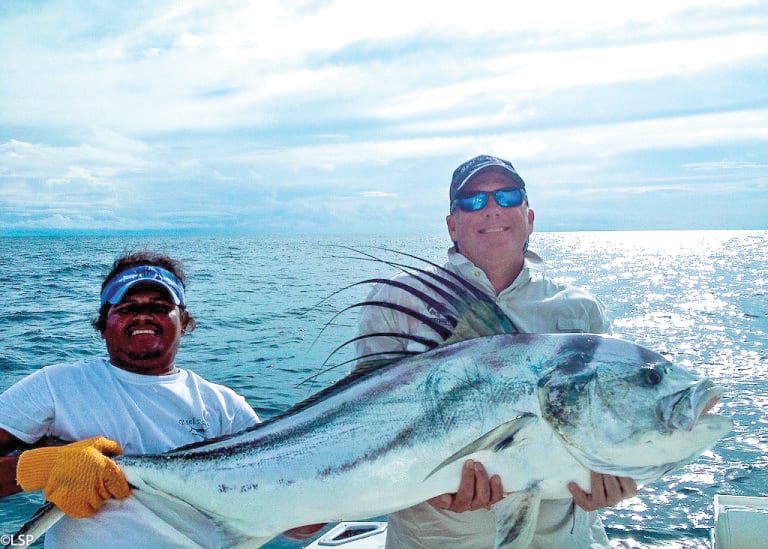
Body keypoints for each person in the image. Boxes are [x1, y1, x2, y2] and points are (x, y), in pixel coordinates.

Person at [356, 155, 638, 548]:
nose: (492, 208)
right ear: (452, 225)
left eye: (507, 196)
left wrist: (615, 478)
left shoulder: (580, 309)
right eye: (473, 200)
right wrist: (423, 486)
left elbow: (602, 426)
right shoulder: (397, 302)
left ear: (530, 217)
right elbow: (364, 430)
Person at [0, 252, 273, 547]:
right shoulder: (55, 385)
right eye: (127, 308)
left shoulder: (226, 408)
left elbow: (290, 516)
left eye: (160, 307)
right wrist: (42, 467)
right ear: (103, 324)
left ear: (184, 321)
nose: (143, 316)